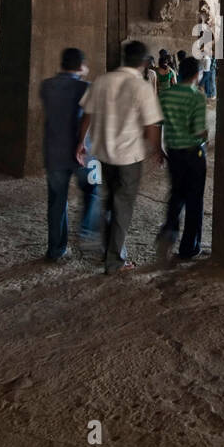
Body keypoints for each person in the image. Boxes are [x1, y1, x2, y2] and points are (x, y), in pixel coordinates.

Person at [77, 41, 164, 275]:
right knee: (121, 209)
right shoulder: (141, 86)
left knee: (108, 202)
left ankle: (109, 250)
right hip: (128, 158)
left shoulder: (102, 80)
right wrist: (157, 149)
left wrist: (80, 143)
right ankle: (115, 260)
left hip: (104, 154)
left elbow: (87, 114)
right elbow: (151, 125)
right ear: (144, 62)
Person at [40, 48, 100, 262]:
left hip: (54, 151)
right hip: (83, 152)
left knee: (57, 202)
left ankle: (56, 249)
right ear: (80, 66)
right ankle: (88, 233)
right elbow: (89, 116)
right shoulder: (86, 87)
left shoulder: (46, 86)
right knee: (94, 191)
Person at [156, 55, 209, 263]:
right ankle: (189, 248)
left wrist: (158, 149)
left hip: (174, 151)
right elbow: (197, 130)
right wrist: (205, 135)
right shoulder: (197, 96)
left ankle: (169, 232)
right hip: (193, 153)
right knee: (195, 200)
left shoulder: (166, 95)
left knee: (177, 194)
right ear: (197, 74)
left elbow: (158, 123)